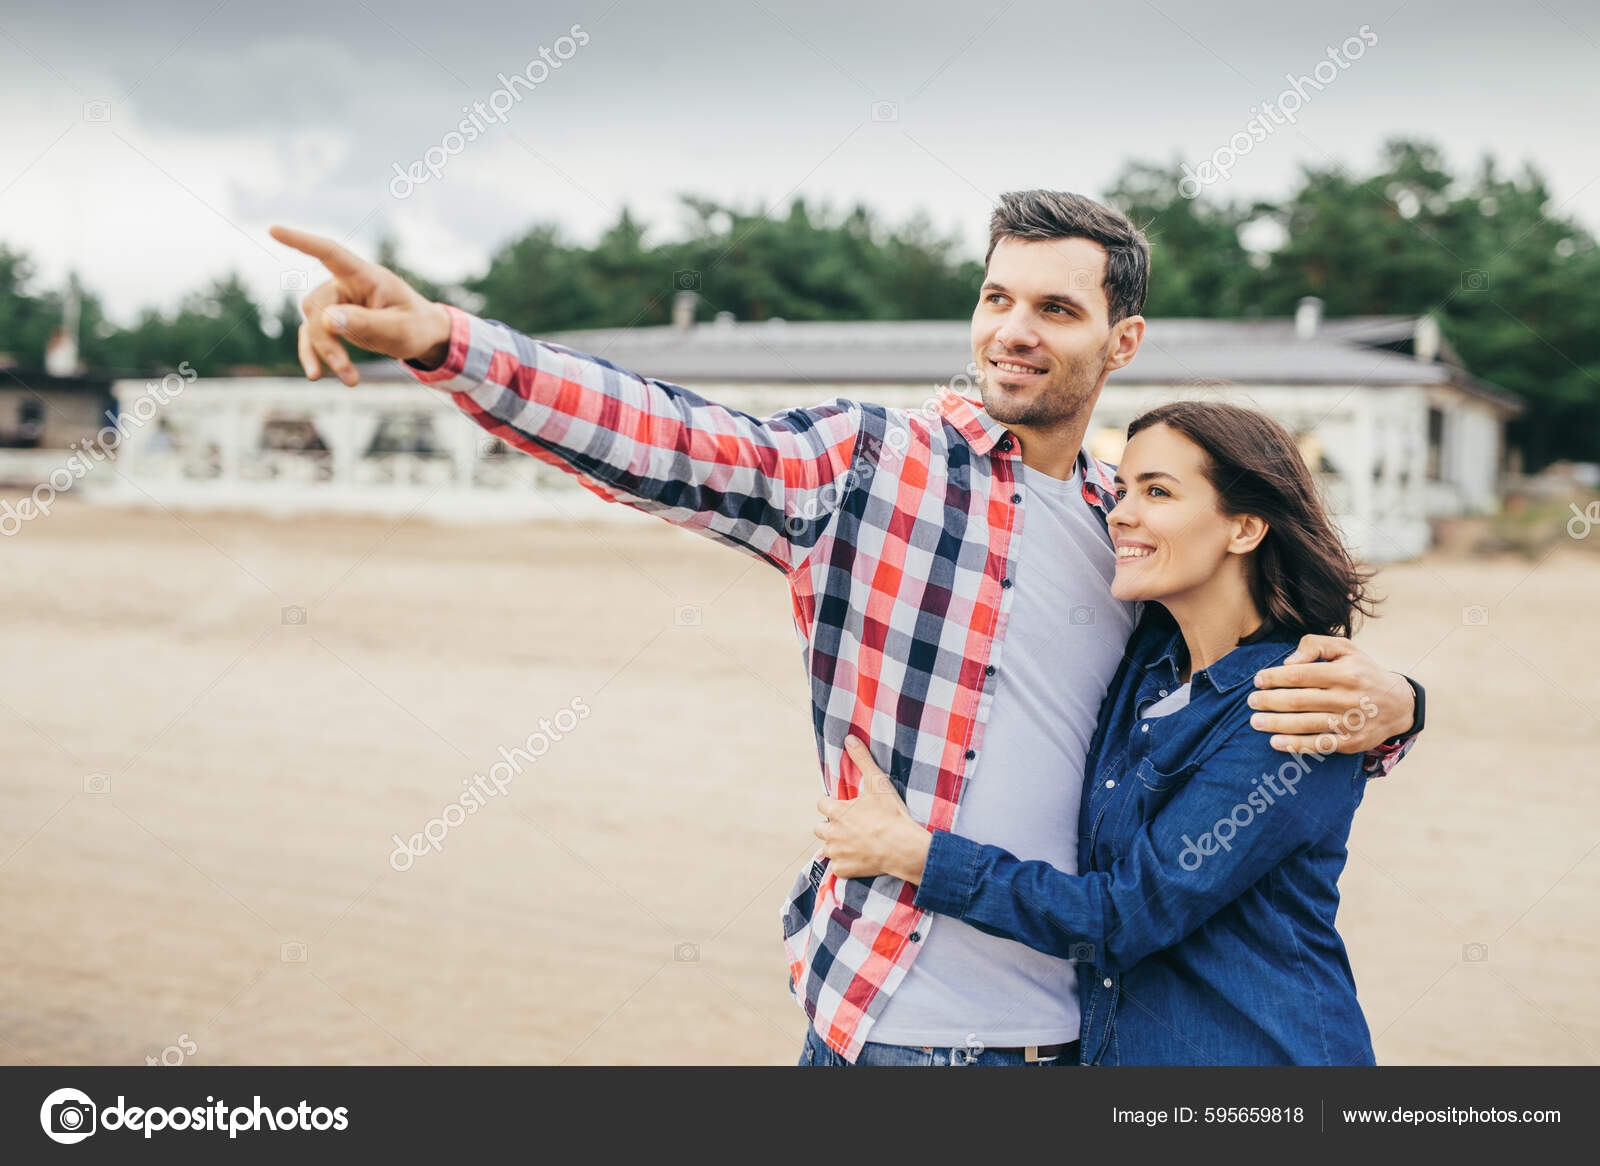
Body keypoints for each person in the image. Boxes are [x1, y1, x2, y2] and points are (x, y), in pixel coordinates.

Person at [269, 189, 1421, 1067]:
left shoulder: (1121, 521)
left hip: (1080, 1036)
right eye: (995, 297)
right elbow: (667, 440)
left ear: (1121, 343)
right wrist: (443, 341)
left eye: (1056, 309)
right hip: (891, 1018)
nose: (1013, 330)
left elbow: (1240, 669)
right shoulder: (869, 464)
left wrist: (1399, 707)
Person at [813, 401, 1385, 1064]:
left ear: (1246, 527)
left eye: (1158, 492)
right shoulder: (1150, 664)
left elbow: (1123, 918)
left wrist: (913, 854)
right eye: (1122, 490)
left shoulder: (1290, 708)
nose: (1120, 513)